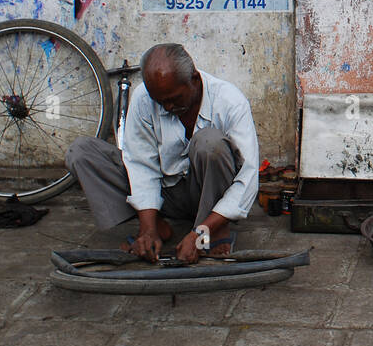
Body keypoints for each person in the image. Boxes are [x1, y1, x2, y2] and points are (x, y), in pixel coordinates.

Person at [65, 44, 259, 263]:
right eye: (161, 101)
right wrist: (147, 228)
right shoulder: (143, 98)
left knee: (210, 143)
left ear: (194, 79)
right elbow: (140, 164)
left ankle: (213, 230)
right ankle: (156, 226)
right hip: (166, 192)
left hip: (209, 193)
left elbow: (247, 179)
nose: (167, 107)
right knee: (81, 152)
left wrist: (199, 234)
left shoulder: (230, 101)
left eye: (174, 99)